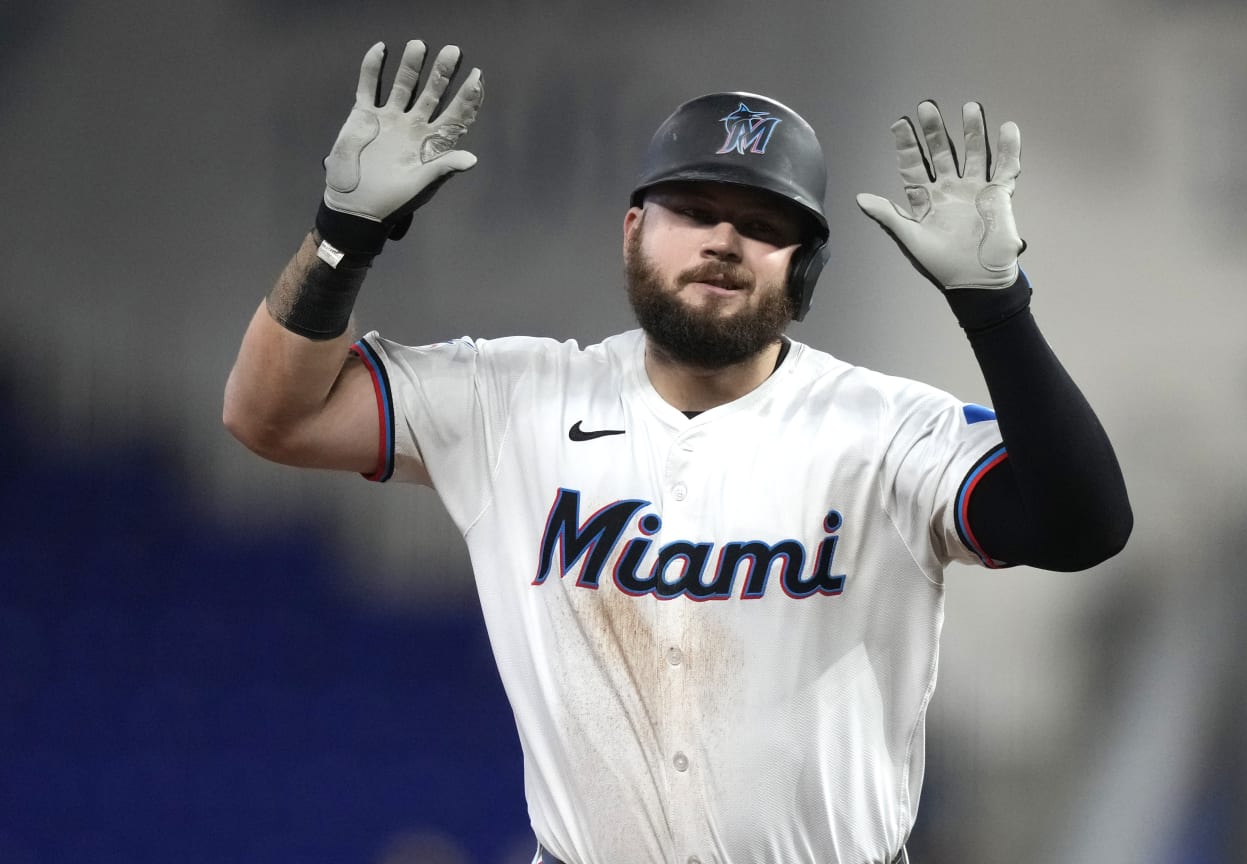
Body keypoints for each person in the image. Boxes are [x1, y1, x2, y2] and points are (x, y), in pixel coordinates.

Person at [224, 38, 1132, 864]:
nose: (724, 240)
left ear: (804, 269)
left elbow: (1084, 525)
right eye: (693, 208)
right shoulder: (512, 400)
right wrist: (343, 236)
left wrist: (995, 301)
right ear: (634, 232)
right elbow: (272, 416)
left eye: (765, 225)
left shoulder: (887, 429)